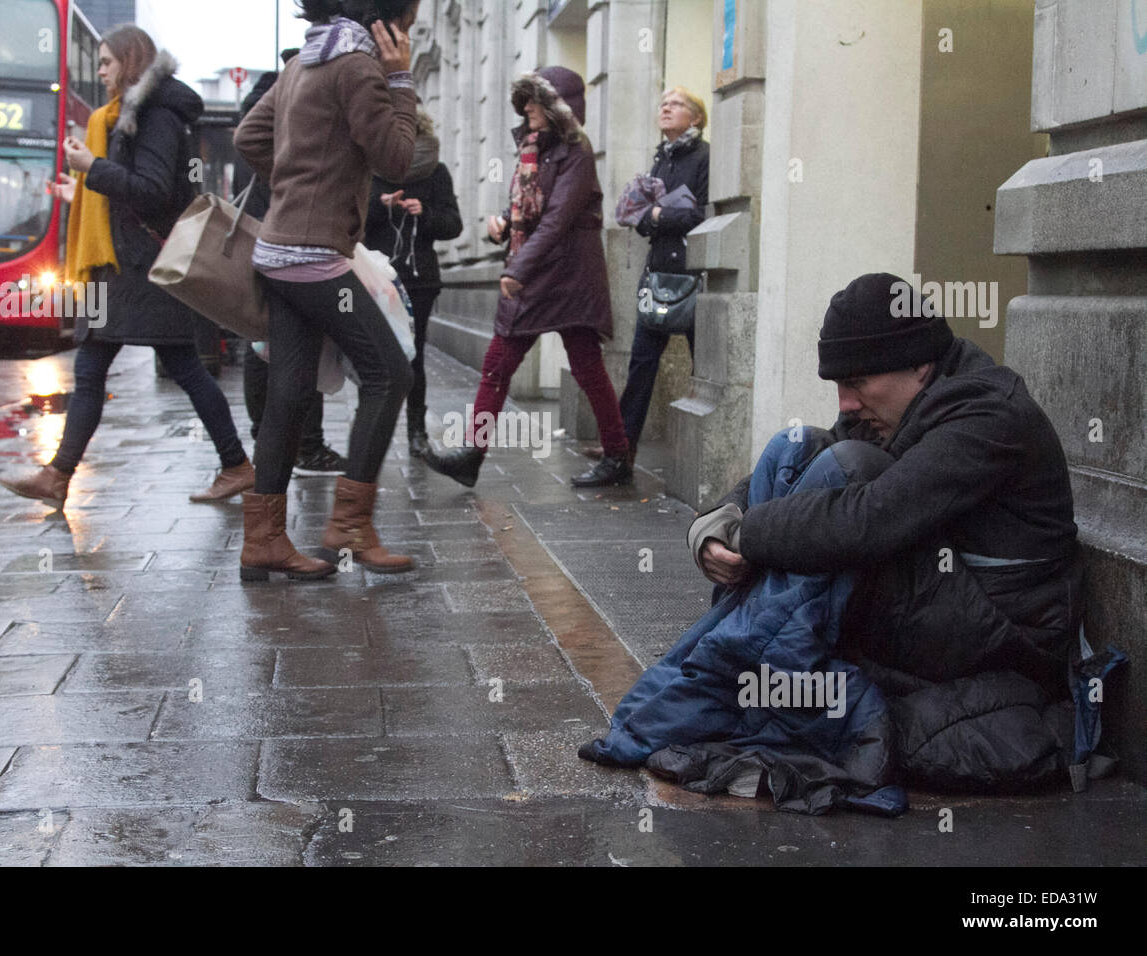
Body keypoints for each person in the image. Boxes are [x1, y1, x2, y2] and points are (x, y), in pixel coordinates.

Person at [580, 273, 1090, 813]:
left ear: (918, 364)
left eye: (859, 383)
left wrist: (747, 536)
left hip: (1002, 634)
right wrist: (716, 524)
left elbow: (869, 518)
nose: (846, 403)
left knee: (846, 477)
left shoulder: (988, 415)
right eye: (838, 385)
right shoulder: (904, 401)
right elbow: (807, 481)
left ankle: (714, 687)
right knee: (794, 449)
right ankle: (722, 678)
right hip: (945, 608)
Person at [0, 25, 252, 511]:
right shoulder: (127, 115)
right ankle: (59, 475)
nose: (100, 73)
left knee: (179, 367)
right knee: (101, 365)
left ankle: (236, 464)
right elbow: (134, 192)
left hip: (139, 266)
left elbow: (153, 190)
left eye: (106, 63)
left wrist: (92, 167)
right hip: (120, 266)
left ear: (130, 62)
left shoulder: (154, 115)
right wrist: (85, 188)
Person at [233, 0, 419, 581]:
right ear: (389, 18)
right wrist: (402, 81)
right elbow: (397, 158)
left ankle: (264, 540)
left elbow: (247, 137)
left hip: (278, 250)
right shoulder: (358, 65)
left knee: (289, 390)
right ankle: (349, 528)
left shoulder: (303, 60)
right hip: (314, 257)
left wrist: (298, 185)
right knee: (391, 372)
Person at [422, 67, 631, 488]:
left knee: (587, 366)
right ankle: (472, 455)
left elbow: (556, 221)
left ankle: (618, 456)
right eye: (526, 100)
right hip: (535, 273)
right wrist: (501, 221)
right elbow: (528, 211)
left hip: (568, 276)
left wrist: (517, 267)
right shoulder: (533, 149)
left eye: (536, 99)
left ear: (558, 106)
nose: (528, 107)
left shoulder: (578, 152)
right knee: (497, 363)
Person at [234, 54, 349, 477]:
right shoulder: (281, 96)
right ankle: (299, 446)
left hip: (269, 234)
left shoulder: (267, 99)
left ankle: (276, 442)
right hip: (284, 235)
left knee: (267, 340)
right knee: (290, 342)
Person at [585, 87, 710, 463]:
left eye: (676, 105)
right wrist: (646, 217)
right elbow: (641, 217)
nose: (666, 109)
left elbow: (701, 215)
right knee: (641, 361)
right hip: (657, 273)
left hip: (691, 276)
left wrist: (657, 216)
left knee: (703, 363)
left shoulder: (704, 157)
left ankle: (704, 452)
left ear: (696, 118)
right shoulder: (661, 159)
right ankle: (620, 448)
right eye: (663, 104)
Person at [363, 106, 463, 458]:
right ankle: (372, 431)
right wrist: (381, 205)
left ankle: (416, 432)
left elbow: (454, 225)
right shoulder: (368, 168)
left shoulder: (436, 172)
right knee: (374, 357)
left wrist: (428, 213)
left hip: (418, 278)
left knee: (413, 357)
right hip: (374, 278)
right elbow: (352, 222)